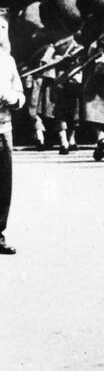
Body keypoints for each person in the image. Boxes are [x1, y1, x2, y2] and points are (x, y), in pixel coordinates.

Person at [0, 13, 25, 254]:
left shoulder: (8, 62)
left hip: (4, 128)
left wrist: (14, 99)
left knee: (4, 183)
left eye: (3, 27)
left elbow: (20, 92)